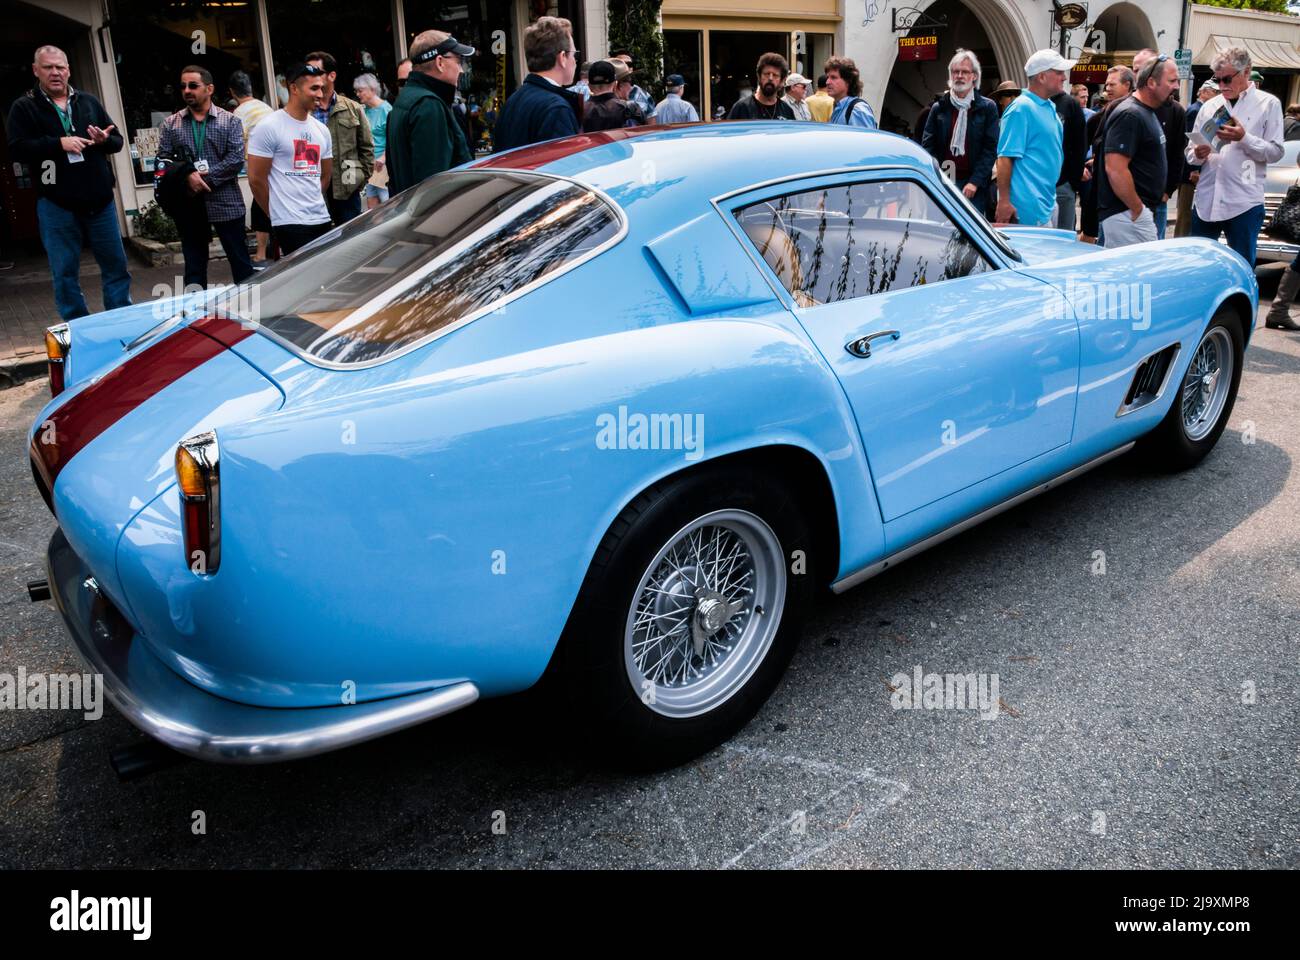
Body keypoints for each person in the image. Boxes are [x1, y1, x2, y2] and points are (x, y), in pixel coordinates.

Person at [6, 45, 130, 320]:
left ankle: (120, 318)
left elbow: (117, 141)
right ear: (36, 70)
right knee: (64, 271)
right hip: (56, 204)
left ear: (68, 70)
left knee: (115, 265)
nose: (55, 73)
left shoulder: (88, 101)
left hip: (100, 201)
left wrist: (104, 141)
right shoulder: (24, 107)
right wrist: (58, 144)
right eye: (48, 67)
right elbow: (16, 149)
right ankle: (77, 324)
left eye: (60, 67)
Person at [1186, 47, 1283, 267]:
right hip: (1206, 200)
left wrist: (1244, 138)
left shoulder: (1268, 104)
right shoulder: (1210, 106)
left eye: (1227, 79)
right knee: (1198, 265)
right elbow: (1190, 154)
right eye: (1217, 79)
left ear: (1246, 72)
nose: (1221, 85)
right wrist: (1198, 153)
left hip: (1244, 202)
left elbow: (1276, 152)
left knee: (1242, 266)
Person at [158, 65, 253, 289]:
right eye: (183, 86)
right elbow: (163, 160)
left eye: (193, 85)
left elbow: (236, 159)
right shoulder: (171, 124)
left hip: (226, 203)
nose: (187, 90)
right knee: (194, 269)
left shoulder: (230, 121)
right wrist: (186, 176)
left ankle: (253, 313)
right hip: (190, 205)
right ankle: (196, 316)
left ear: (209, 88)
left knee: (241, 265)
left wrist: (201, 181)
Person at [246, 62, 333, 255]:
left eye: (322, 88)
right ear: (293, 88)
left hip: (321, 218)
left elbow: (325, 175)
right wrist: (276, 213)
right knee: (300, 281)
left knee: (323, 279)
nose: (320, 94)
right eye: (314, 88)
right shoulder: (268, 126)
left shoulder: (322, 130)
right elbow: (255, 179)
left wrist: (311, 202)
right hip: (289, 223)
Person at [1097, 55, 1178, 248]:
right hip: (1126, 215)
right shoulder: (1130, 114)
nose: (1176, 86)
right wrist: (1137, 209)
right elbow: (1115, 169)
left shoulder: (1145, 111)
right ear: (1151, 82)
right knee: (1131, 276)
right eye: (1172, 80)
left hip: (1135, 213)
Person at [386, 31, 475, 191]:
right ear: (440, 62)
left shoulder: (407, 99)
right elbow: (434, 188)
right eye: (458, 61)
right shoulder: (428, 105)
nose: (461, 70)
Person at [995, 50, 1069, 227]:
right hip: (1026, 206)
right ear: (1042, 77)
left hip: (1047, 202)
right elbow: (1004, 158)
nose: (1064, 77)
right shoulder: (1021, 108)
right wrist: (1004, 201)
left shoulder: (1049, 106)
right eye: (1058, 72)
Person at [922, 50, 999, 215]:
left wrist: (975, 182)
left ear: (974, 76)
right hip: (943, 181)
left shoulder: (987, 108)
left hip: (973, 186)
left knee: (971, 234)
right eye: (955, 72)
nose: (959, 76)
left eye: (964, 72)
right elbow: (928, 146)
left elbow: (990, 149)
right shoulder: (938, 108)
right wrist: (937, 178)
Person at [493, 16, 582, 151]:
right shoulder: (556, 108)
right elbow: (563, 167)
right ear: (563, 57)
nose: (575, 61)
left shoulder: (512, 101)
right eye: (574, 55)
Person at [304, 51, 373, 226]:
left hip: (347, 188)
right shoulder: (305, 111)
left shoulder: (352, 108)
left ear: (331, 75)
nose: (311, 77)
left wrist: (359, 180)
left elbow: (366, 147)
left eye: (317, 72)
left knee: (351, 239)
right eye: (308, 72)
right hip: (314, 190)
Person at [229, 70, 274, 264]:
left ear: (232, 92)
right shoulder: (267, 108)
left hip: (260, 166)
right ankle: (273, 250)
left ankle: (262, 253)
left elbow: (239, 145)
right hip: (277, 162)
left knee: (260, 207)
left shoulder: (238, 114)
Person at [1052, 78, 1088, 231]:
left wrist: (1072, 181)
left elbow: (1080, 145)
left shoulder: (1070, 105)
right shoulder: (1030, 104)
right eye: (1058, 72)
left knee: (1063, 236)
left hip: (1063, 183)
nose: (1064, 77)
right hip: (1036, 186)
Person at [353, 73, 392, 207]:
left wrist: (383, 157)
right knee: (371, 205)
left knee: (387, 205)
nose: (357, 94)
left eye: (360, 90)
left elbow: (393, 139)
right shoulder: (363, 110)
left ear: (372, 89)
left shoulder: (386, 110)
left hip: (382, 166)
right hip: (369, 166)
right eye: (356, 91)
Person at [729, 53, 796, 120]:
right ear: (759, 77)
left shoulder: (787, 111)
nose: (770, 78)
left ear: (782, 81)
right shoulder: (741, 108)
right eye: (766, 74)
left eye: (775, 75)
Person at [582, 60, 646, 131]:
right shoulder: (629, 108)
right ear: (615, 84)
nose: (631, 86)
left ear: (589, 86)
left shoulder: (578, 111)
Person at [824, 56, 878, 128]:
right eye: (827, 77)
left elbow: (866, 139)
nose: (827, 82)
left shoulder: (857, 110)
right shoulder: (838, 107)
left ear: (848, 81)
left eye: (833, 77)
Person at [610, 51, 656, 122]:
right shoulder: (605, 97)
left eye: (629, 64)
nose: (626, 67)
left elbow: (651, 123)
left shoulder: (643, 95)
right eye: (622, 64)